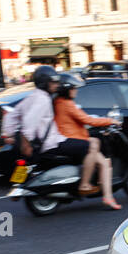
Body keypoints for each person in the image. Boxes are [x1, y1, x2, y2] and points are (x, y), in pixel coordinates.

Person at [48, 73, 120, 208]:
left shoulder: (58, 102)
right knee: (93, 144)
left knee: (105, 163)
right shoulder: (67, 104)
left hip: (72, 136)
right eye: (73, 88)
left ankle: (108, 198)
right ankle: (85, 183)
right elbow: (88, 120)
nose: (76, 90)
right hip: (72, 138)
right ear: (66, 89)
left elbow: (79, 118)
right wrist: (110, 120)